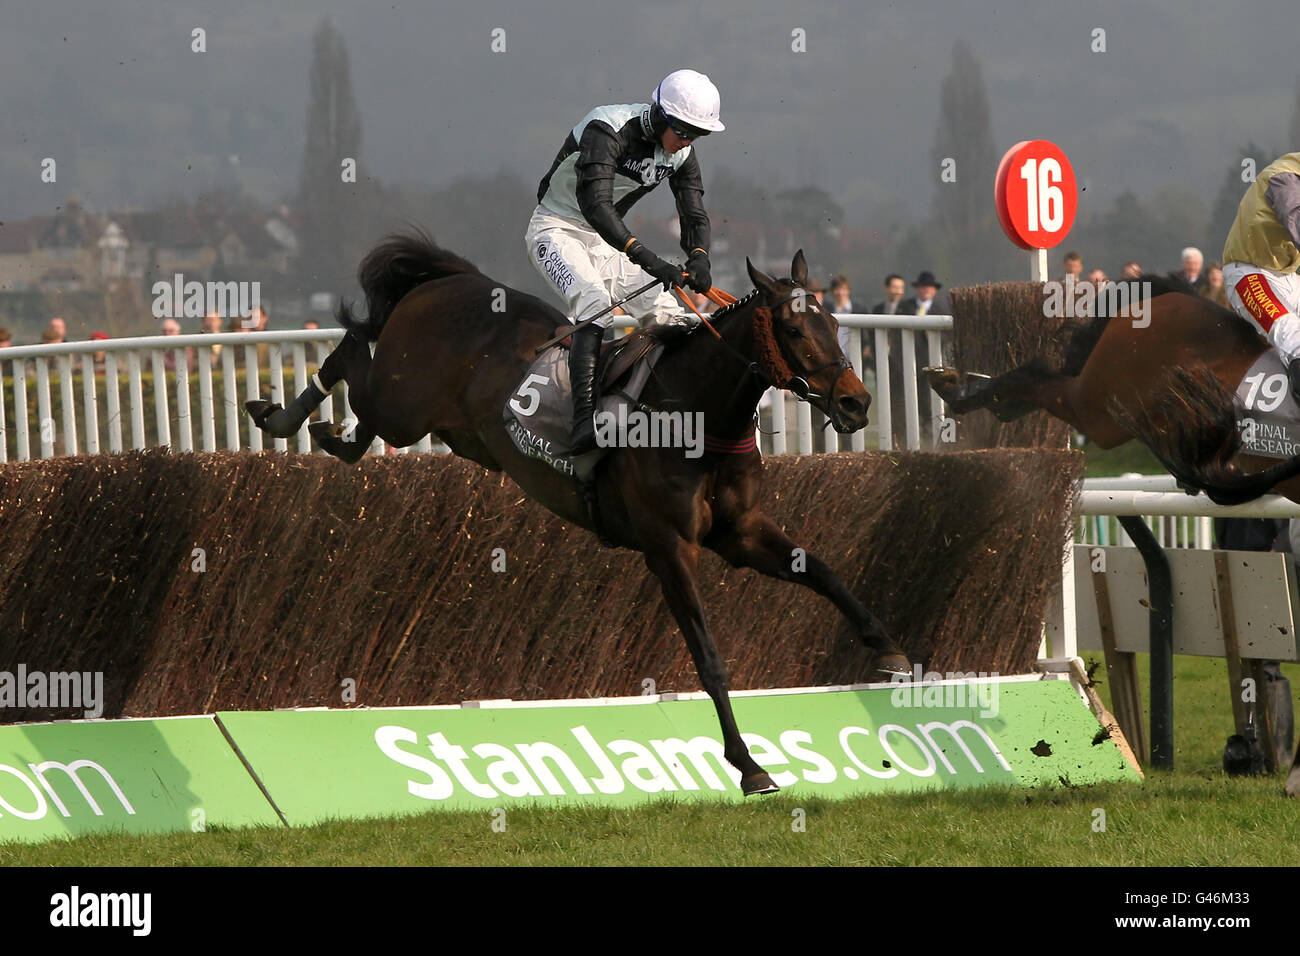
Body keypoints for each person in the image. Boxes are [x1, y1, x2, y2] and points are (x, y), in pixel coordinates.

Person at [526, 68, 722, 454]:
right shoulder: (607, 127)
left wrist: (699, 257)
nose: (687, 142)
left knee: (673, 316)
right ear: (662, 115)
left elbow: (694, 215)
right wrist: (649, 259)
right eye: (683, 131)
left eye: (697, 135)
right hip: (556, 229)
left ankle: (678, 418)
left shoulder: (682, 153)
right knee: (597, 306)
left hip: (606, 244)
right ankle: (583, 420)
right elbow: (595, 206)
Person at [1221, 152, 1300, 389]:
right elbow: (1295, 217)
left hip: (1287, 277)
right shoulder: (1284, 177)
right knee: (1294, 338)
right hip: (1249, 273)